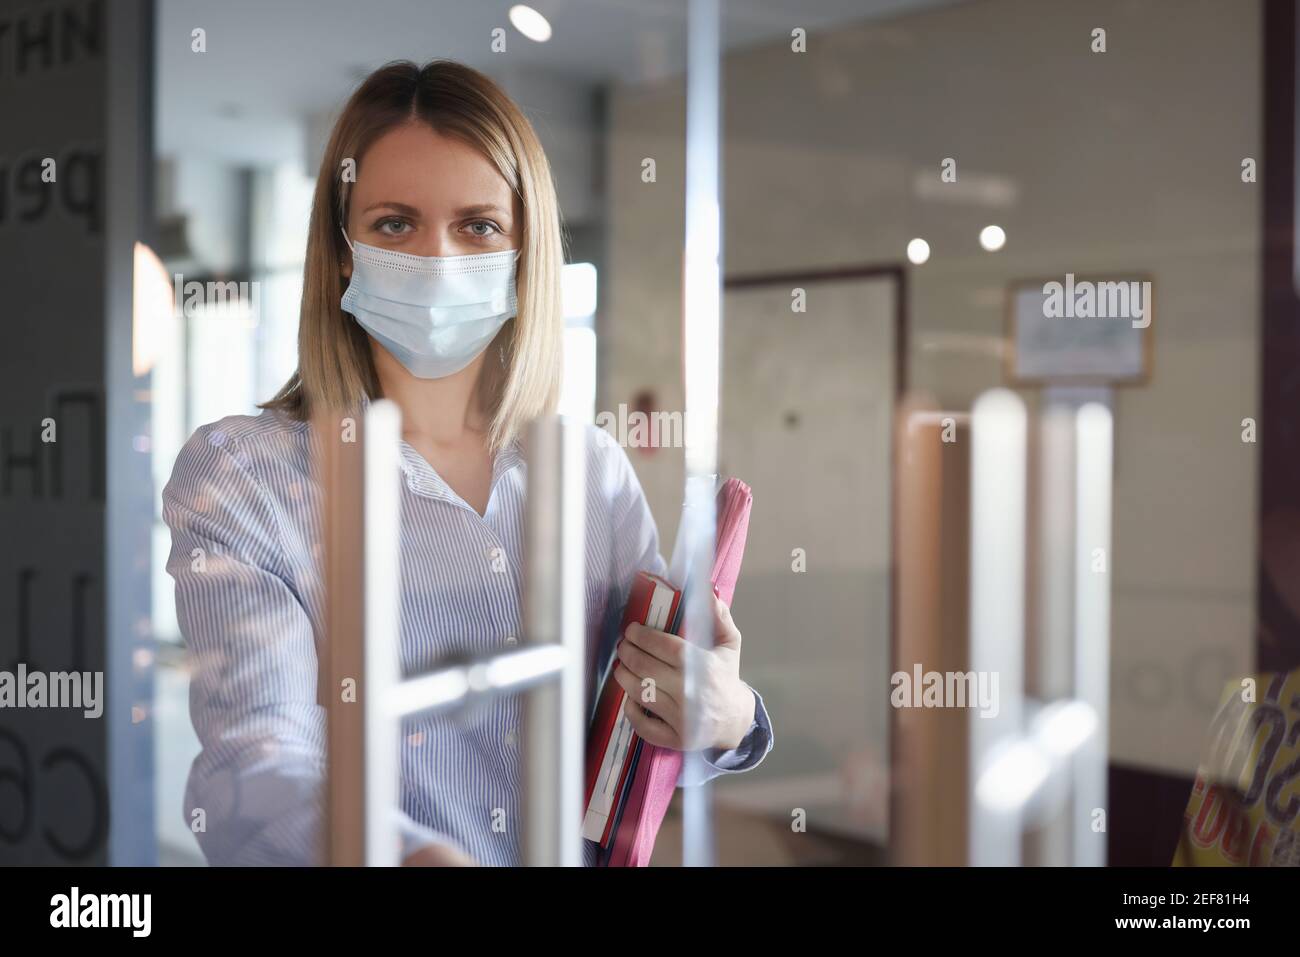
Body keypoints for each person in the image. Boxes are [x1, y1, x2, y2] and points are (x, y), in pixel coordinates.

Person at [161, 59, 773, 866]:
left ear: (524, 253)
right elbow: (254, 765)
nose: (438, 261)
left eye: (478, 226)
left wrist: (727, 718)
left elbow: (632, 746)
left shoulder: (586, 471)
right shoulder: (244, 476)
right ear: (342, 249)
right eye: (393, 223)